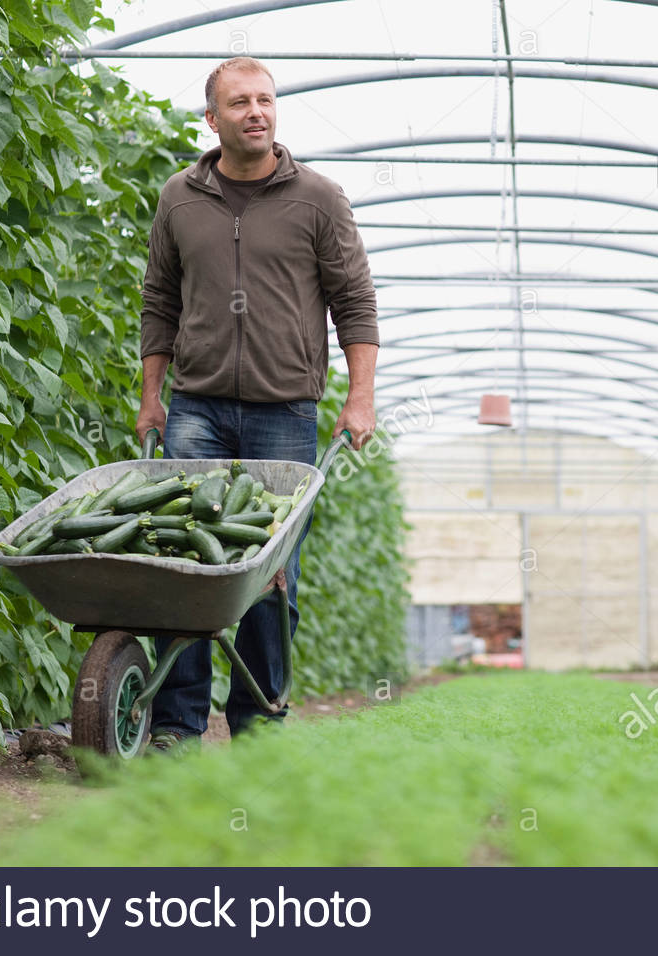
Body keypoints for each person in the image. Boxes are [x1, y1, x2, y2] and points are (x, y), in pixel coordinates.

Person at [135, 56, 379, 752]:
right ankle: (177, 725)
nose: (257, 112)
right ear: (211, 119)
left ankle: (258, 724)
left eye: (266, 100)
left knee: (271, 577)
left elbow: (354, 302)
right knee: (184, 565)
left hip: (285, 413)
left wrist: (359, 397)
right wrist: (152, 397)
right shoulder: (178, 198)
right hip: (197, 409)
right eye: (239, 102)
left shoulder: (318, 198)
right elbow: (159, 301)